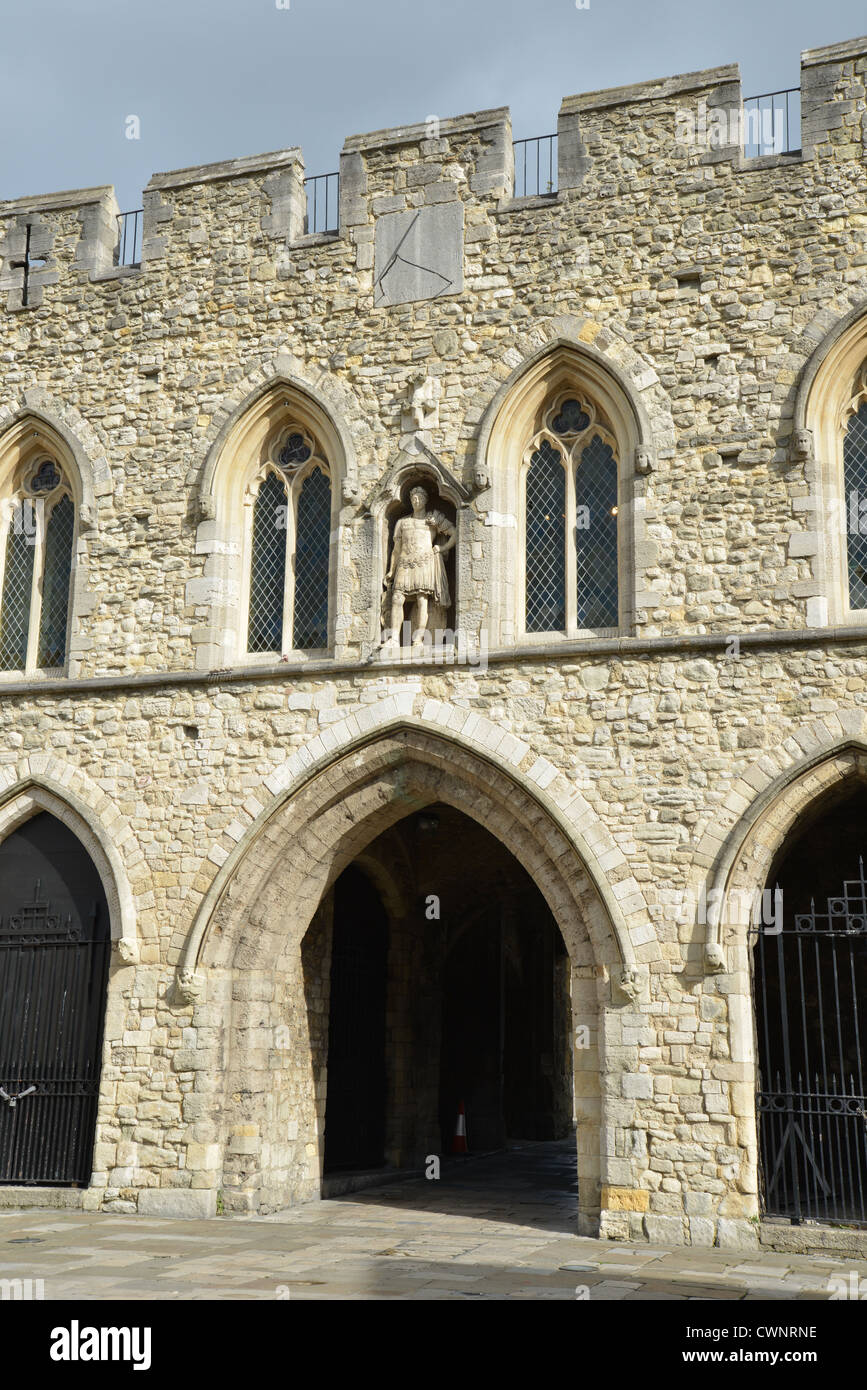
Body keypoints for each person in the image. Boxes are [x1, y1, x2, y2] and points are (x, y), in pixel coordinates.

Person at [382, 486, 456, 645]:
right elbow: (396, 549)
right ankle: (394, 638)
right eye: (413, 498)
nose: (416, 501)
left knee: (422, 599)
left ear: (425, 500)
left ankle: (419, 638)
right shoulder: (402, 522)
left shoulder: (433, 519)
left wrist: (441, 548)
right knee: (396, 598)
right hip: (404, 562)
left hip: (424, 562)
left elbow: (454, 534)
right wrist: (391, 570)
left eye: (420, 498)